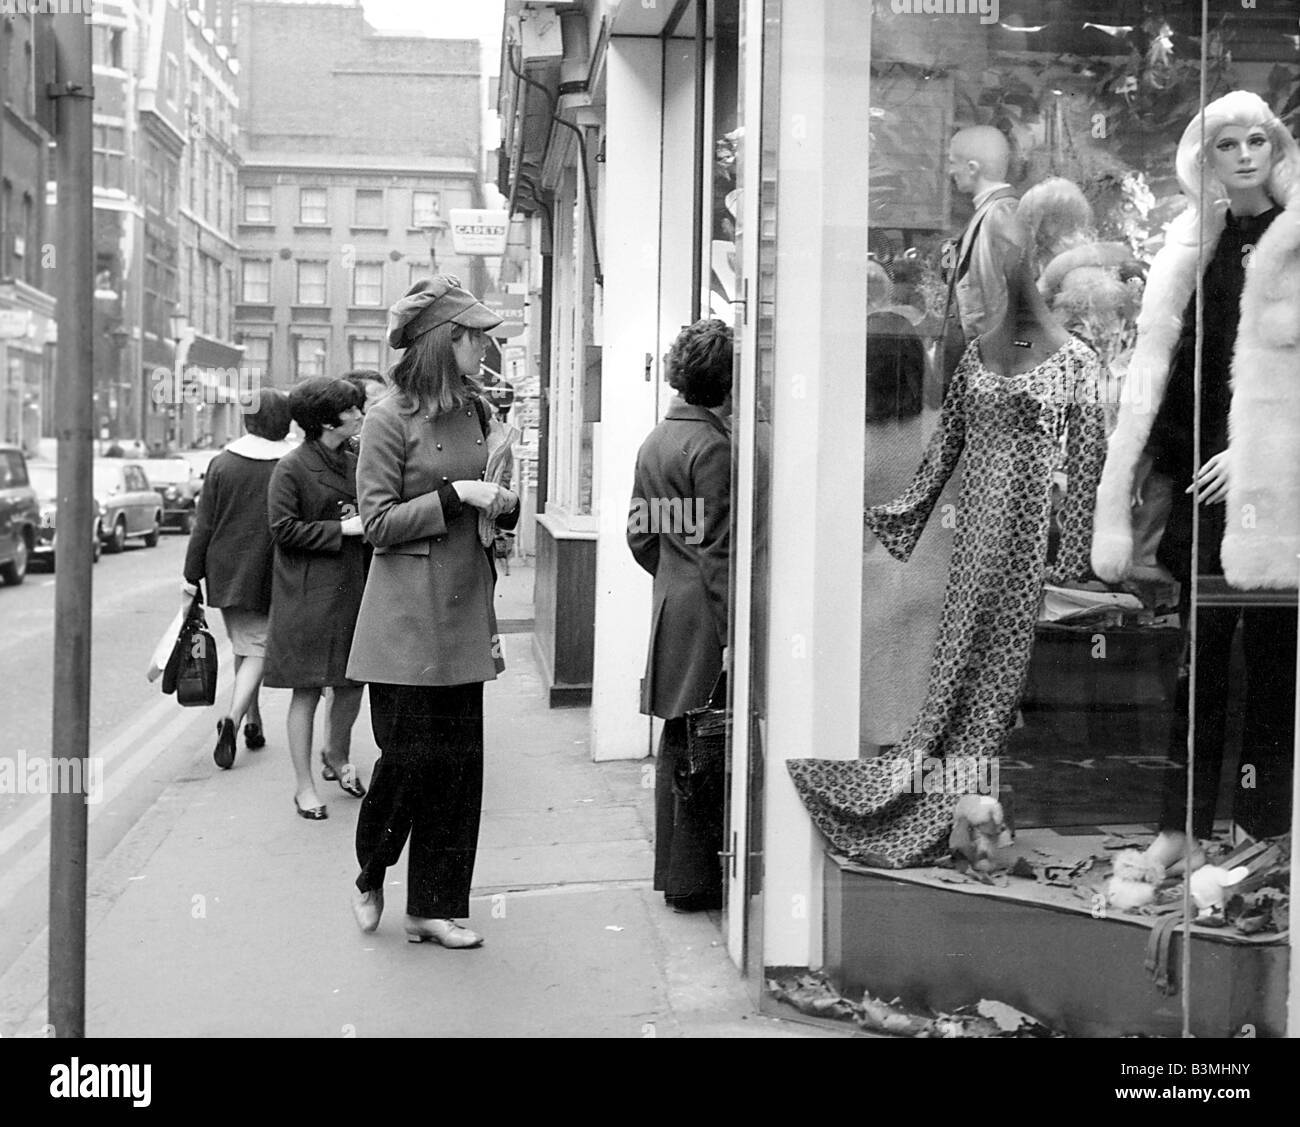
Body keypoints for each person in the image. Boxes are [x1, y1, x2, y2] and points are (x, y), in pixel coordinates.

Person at [1091, 90, 1300, 872]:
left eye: (1258, 140)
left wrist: (1257, 453)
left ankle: (1261, 829)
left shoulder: (1294, 241)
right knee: (1200, 659)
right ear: (1203, 158)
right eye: (1227, 144)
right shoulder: (1196, 244)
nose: (1245, 156)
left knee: (1275, 662)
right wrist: (1158, 457)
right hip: (1202, 488)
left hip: (1273, 490)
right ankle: (1179, 827)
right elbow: (1177, 370)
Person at [346, 274, 519, 947]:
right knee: (409, 761)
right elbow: (376, 522)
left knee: (459, 770)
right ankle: (371, 870)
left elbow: (488, 494)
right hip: (401, 625)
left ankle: (435, 907)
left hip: (465, 610)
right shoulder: (388, 418)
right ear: (445, 341)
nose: (486, 348)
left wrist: (500, 508)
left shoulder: (477, 411)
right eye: (477, 337)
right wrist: (456, 496)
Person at [628, 318, 734, 911]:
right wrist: (728, 626)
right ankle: (696, 880)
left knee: (680, 739)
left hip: (673, 599)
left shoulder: (657, 440)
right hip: (706, 609)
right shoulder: (713, 447)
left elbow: (640, 536)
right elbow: (719, 551)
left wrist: (675, 572)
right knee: (707, 743)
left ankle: (678, 875)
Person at [263, 377, 370, 820]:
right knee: (306, 690)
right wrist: (341, 529)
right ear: (327, 421)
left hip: (352, 584)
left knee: (352, 681)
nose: (360, 413)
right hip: (307, 593)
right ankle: (304, 787)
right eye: (351, 409)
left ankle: (335, 754)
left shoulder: (357, 457)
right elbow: (282, 529)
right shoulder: (291, 467)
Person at [181, 389, 293, 768]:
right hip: (273, 568)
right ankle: (232, 719)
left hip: (225, 571)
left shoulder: (222, 463)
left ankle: (253, 720)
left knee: (247, 646)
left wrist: (190, 577)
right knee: (259, 648)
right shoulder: (290, 462)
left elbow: (204, 526)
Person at [946, 125, 1027, 341]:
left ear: (973, 168)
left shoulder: (1002, 212)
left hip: (989, 356)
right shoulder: (992, 211)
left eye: (953, 163)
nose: (950, 172)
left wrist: (993, 361)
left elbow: (1004, 297)